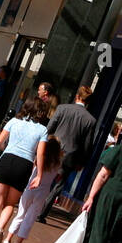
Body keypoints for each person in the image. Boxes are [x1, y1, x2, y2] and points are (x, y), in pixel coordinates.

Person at [0, 97, 51, 243]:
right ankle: (0, 229)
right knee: (10, 203)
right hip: (25, 165)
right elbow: (41, 153)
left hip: (7, 159)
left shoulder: (14, 122)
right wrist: (39, 175)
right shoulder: (43, 130)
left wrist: (6, 151)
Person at [39, 86, 98, 221]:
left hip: (53, 150)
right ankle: (41, 213)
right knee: (57, 185)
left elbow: (49, 129)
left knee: (43, 177)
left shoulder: (62, 108)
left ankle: (33, 205)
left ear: (77, 96)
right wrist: (82, 162)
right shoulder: (90, 120)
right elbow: (88, 145)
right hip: (70, 157)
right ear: (88, 101)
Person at [5, 136, 64, 243]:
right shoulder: (58, 162)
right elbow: (58, 178)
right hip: (42, 193)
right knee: (29, 219)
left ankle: (6, 240)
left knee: (20, 214)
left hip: (30, 188)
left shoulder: (39, 158)